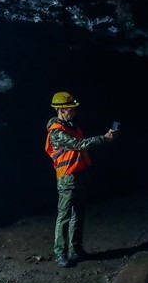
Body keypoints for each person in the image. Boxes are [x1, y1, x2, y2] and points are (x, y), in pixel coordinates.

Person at [44, 91, 117, 268]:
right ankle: (60, 252)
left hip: (79, 176)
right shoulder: (57, 132)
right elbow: (79, 145)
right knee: (65, 216)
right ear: (61, 110)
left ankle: (75, 249)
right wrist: (104, 139)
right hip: (67, 178)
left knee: (78, 215)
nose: (74, 111)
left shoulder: (71, 128)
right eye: (70, 108)